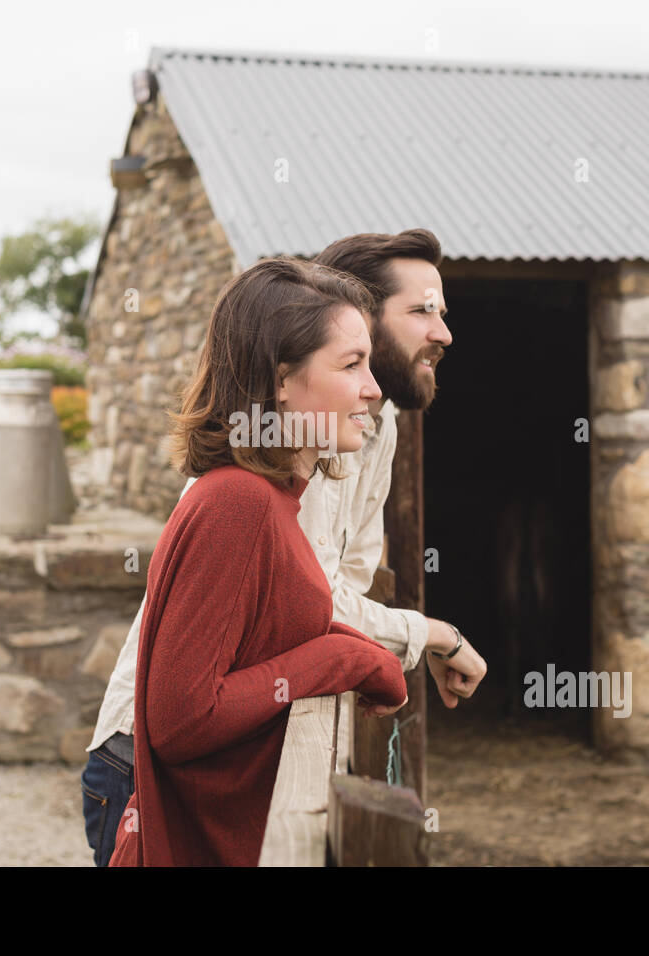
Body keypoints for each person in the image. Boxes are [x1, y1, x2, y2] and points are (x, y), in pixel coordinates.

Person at [81, 229, 487, 866]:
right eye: (351, 365)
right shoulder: (237, 503)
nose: (373, 387)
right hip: (155, 798)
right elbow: (183, 719)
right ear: (281, 383)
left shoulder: (279, 493)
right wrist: (347, 658)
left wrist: (355, 650)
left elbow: (319, 605)